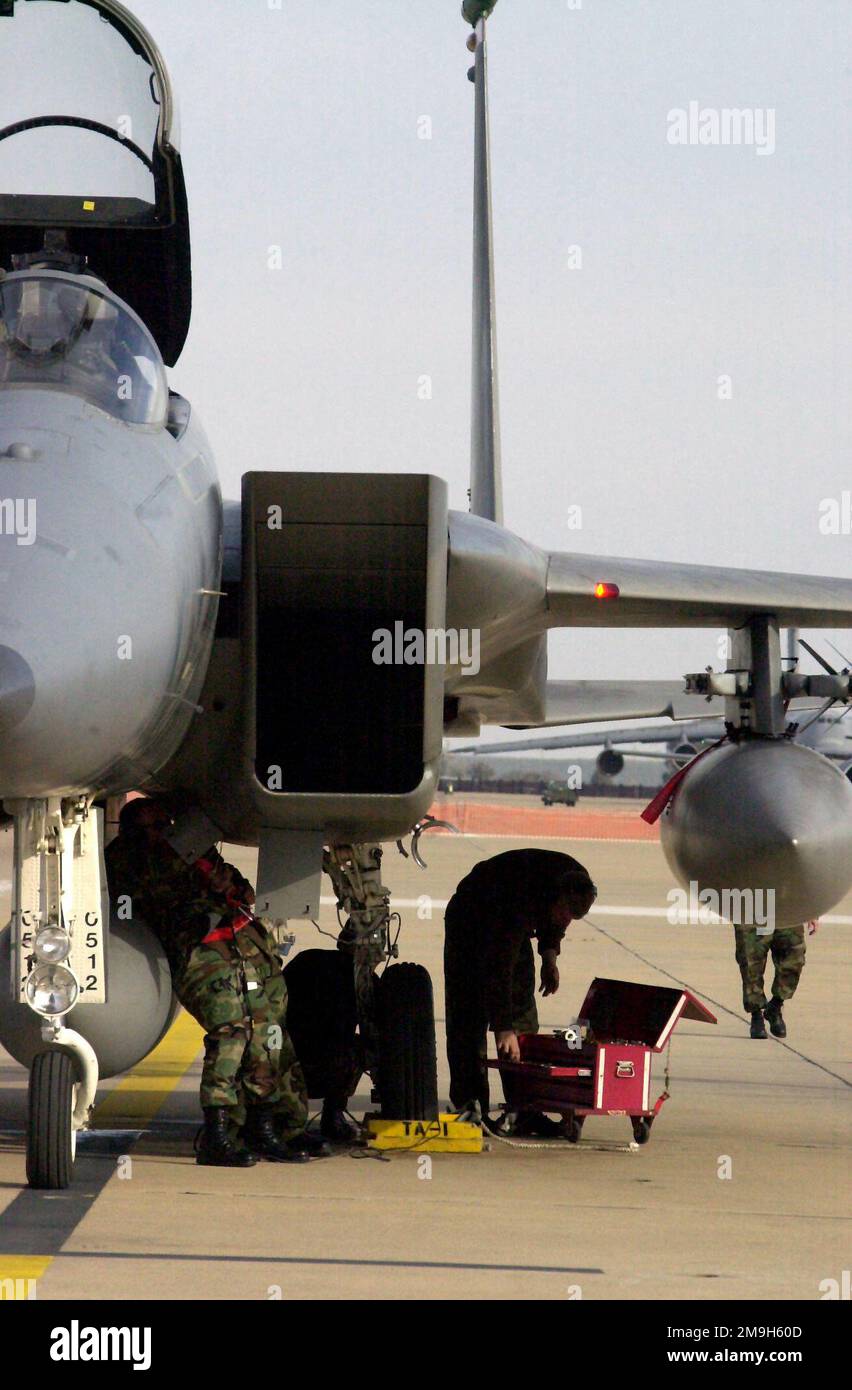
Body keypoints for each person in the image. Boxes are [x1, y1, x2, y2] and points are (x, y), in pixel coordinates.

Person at [105, 798, 324, 1166]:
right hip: (200, 956)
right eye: (152, 828)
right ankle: (219, 1131)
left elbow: (239, 887)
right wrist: (189, 854)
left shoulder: (192, 853)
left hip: (243, 945)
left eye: (165, 825)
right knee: (231, 1032)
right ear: (133, 833)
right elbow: (152, 888)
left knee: (269, 1033)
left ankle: (277, 1124)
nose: (162, 833)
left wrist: (221, 876)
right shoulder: (127, 860)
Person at [443, 848, 598, 1124]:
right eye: (565, 912)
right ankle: (470, 1107)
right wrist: (503, 1027)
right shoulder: (519, 900)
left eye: (573, 918)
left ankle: (525, 1107)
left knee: (524, 1019)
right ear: (554, 897)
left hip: (514, 921)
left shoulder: (574, 883)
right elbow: (500, 967)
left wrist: (549, 957)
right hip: (470, 918)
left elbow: (556, 920)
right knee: (468, 1015)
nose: (567, 921)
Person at [734, 920, 808, 1039]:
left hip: (787, 910)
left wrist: (814, 912)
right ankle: (756, 1015)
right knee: (751, 962)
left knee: (794, 956)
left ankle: (775, 1006)